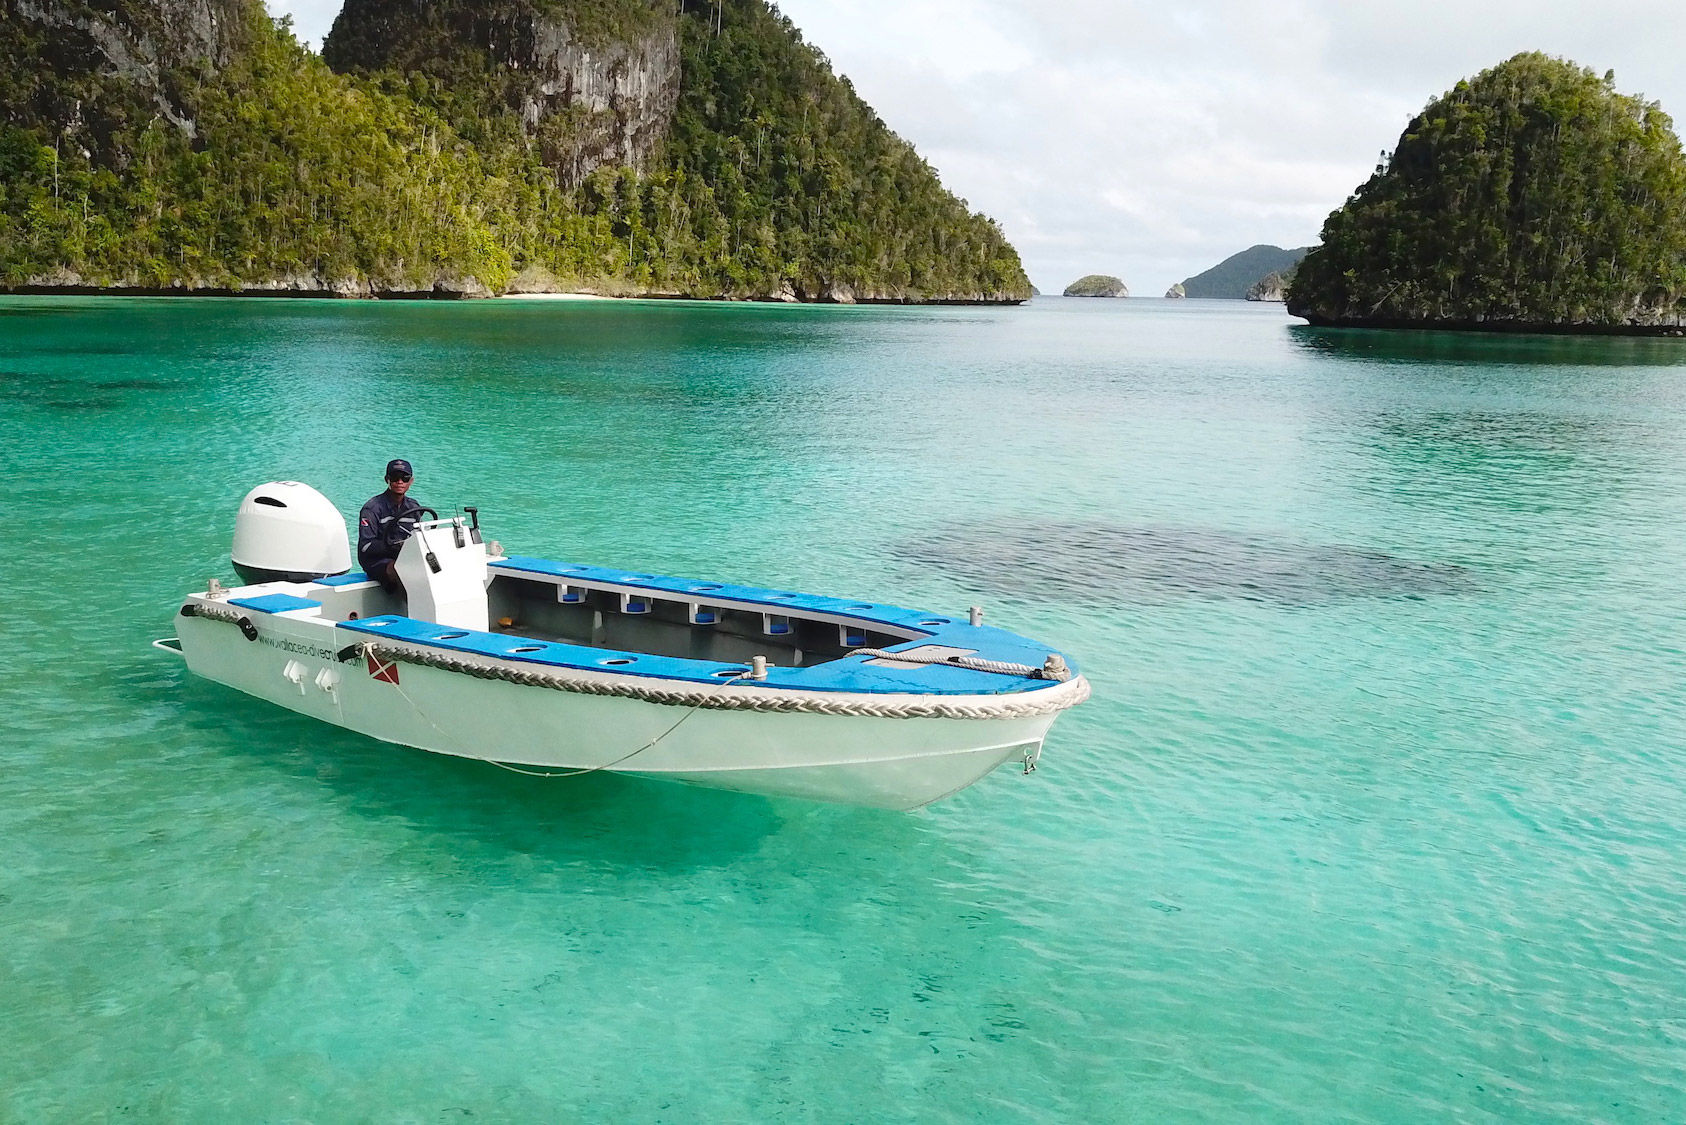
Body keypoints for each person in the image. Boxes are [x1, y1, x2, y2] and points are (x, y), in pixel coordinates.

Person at [358, 459, 423, 593]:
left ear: (411, 481)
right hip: (376, 561)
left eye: (405, 478)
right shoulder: (372, 509)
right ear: (387, 479)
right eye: (395, 477)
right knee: (400, 569)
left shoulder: (414, 507)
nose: (400, 482)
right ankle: (410, 604)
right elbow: (365, 546)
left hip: (404, 557)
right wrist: (393, 545)